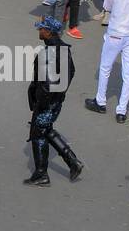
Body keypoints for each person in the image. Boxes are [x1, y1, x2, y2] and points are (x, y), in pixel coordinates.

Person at [24, 16, 84, 186]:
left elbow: (46, 85)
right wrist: (60, 94)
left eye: (41, 28)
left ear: (48, 32)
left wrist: (41, 105)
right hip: (56, 101)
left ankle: (41, 174)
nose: (39, 30)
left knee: (38, 134)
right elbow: (71, 72)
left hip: (46, 103)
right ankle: (73, 162)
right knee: (46, 130)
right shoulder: (64, 50)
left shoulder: (47, 54)